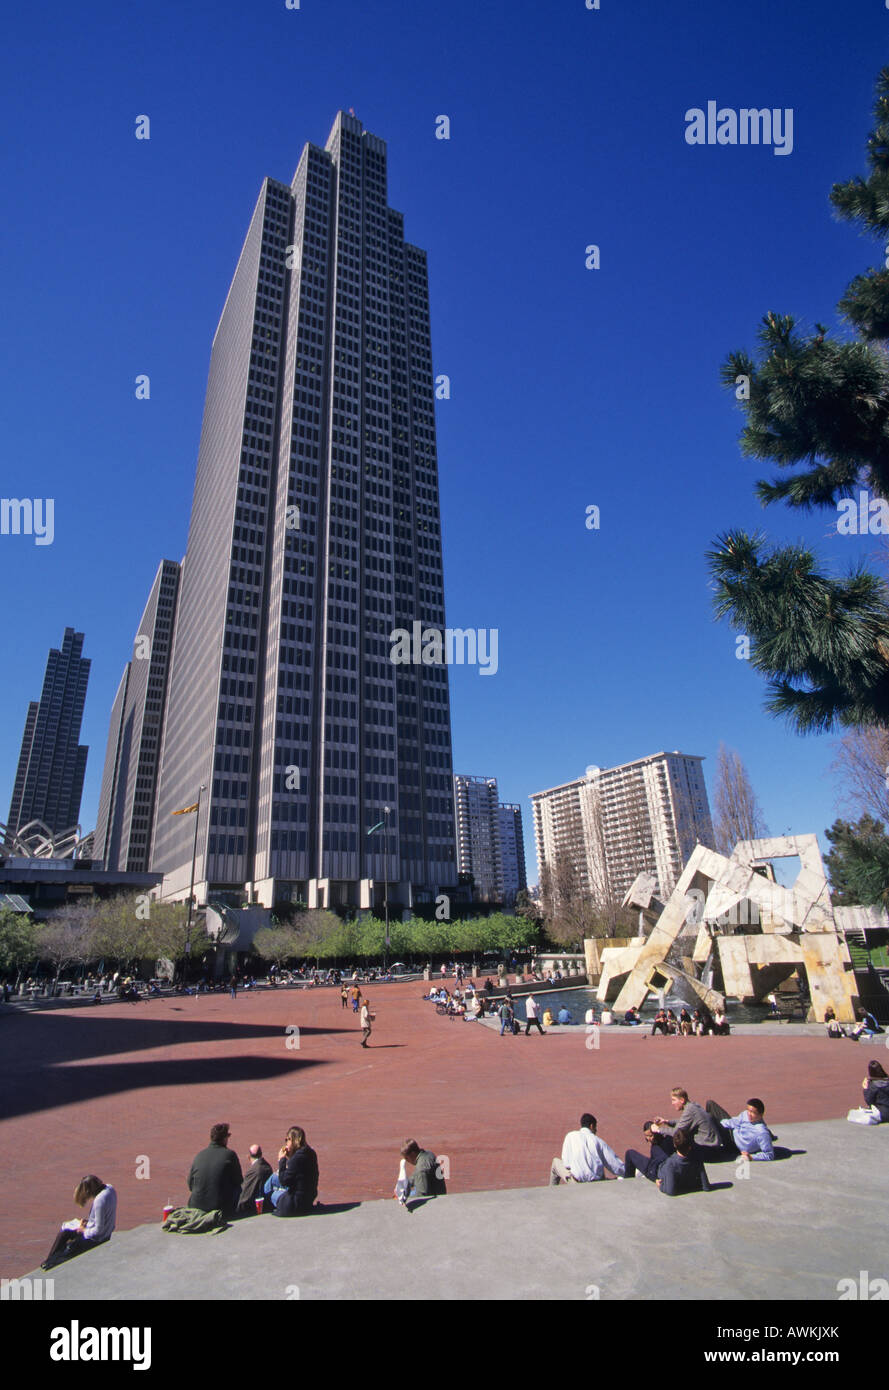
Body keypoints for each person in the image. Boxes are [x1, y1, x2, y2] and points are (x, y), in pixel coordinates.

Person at [41, 1176, 117, 1270]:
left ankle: (50, 1262)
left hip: (96, 1239)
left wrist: (83, 1230)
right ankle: (49, 1260)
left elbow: (98, 1231)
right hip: (105, 1232)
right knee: (65, 1233)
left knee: (68, 1243)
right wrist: (89, 1223)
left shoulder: (99, 1201)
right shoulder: (110, 1189)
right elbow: (104, 1218)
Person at [550, 1113, 625, 1185]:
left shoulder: (570, 1136)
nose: (596, 1130)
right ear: (592, 1126)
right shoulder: (598, 1141)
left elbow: (566, 1163)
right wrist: (627, 1172)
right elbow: (614, 1164)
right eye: (596, 1127)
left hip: (575, 1182)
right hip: (596, 1182)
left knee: (555, 1162)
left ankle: (551, 1192)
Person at [188, 1122, 243, 1218]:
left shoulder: (199, 1155)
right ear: (225, 1139)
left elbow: (190, 1184)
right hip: (218, 1208)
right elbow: (238, 1180)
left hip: (195, 1206)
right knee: (239, 1189)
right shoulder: (229, 1154)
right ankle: (233, 1212)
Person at [651, 1088, 723, 1157]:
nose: (672, 1103)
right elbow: (682, 1121)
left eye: (674, 1100)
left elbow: (676, 1132)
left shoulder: (690, 1110)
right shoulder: (693, 1106)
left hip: (708, 1149)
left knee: (670, 1139)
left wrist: (658, 1129)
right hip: (712, 1146)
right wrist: (666, 1121)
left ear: (682, 1100)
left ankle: (667, 1162)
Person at [267, 1126, 319, 1216]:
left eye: (287, 1140)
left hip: (296, 1202)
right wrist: (290, 1157)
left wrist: (282, 1160)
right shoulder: (310, 1153)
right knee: (273, 1178)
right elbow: (296, 1174)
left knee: (271, 1194)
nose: (286, 1143)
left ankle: (260, 1203)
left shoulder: (297, 1158)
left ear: (293, 1140)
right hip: (308, 1194)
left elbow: (284, 1181)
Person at [656, 1129, 712, 1196]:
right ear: (690, 1146)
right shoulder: (697, 1158)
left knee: (654, 1152)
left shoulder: (671, 1164)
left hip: (661, 1170)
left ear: (674, 1145)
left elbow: (670, 1191)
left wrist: (660, 1185)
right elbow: (706, 1186)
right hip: (684, 1178)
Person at [237, 1144, 274, 1215]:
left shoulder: (253, 1171)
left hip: (254, 1205)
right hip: (266, 1202)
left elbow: (245, 1193)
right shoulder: (267, 1167)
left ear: (249, 1156)